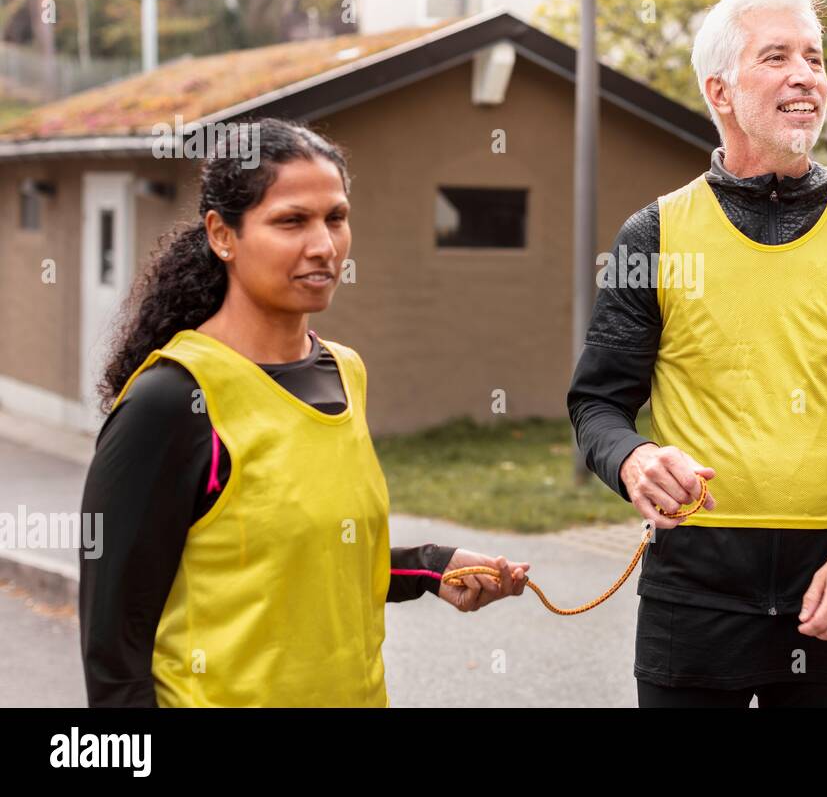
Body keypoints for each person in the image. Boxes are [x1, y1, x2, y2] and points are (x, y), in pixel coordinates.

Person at [568, 0, 827, 708]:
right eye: (777, 57)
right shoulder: (652, 235)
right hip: (695, 582)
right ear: (720, 92)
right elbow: (597, 405)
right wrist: (634, 459)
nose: (805, 75)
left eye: (815, 57)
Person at [80, 118, 529, 707]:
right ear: (222, 235)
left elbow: (312, 560)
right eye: (292, 220)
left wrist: (430, 568)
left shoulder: (346, 371)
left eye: (336, 218)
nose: (324, 245)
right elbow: (114, 654)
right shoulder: (173, 400)